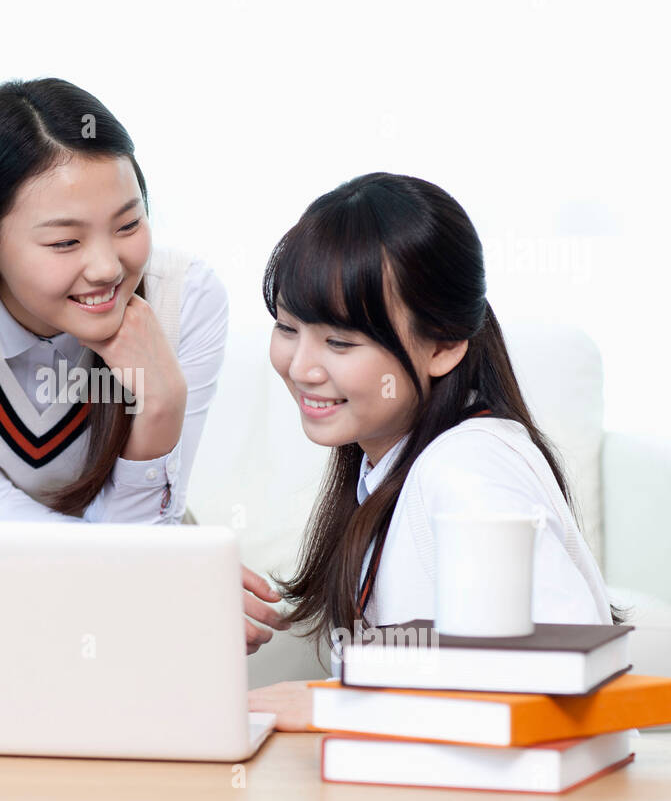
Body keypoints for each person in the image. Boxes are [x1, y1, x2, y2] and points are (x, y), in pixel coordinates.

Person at [0, 77, 287, 652]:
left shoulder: (186, 297)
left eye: (129, 225)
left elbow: (151, 526)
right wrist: (153, 576)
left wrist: (161, 407)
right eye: (65, 243)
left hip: (135, 604)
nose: (109, 267)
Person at [249, 172, 626, 728]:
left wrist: (339, 705)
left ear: (444, 346)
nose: (301, 367)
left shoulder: (467, 467)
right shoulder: (396, 463)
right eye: (287, 328)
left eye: (339, 342)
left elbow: (568, 676)